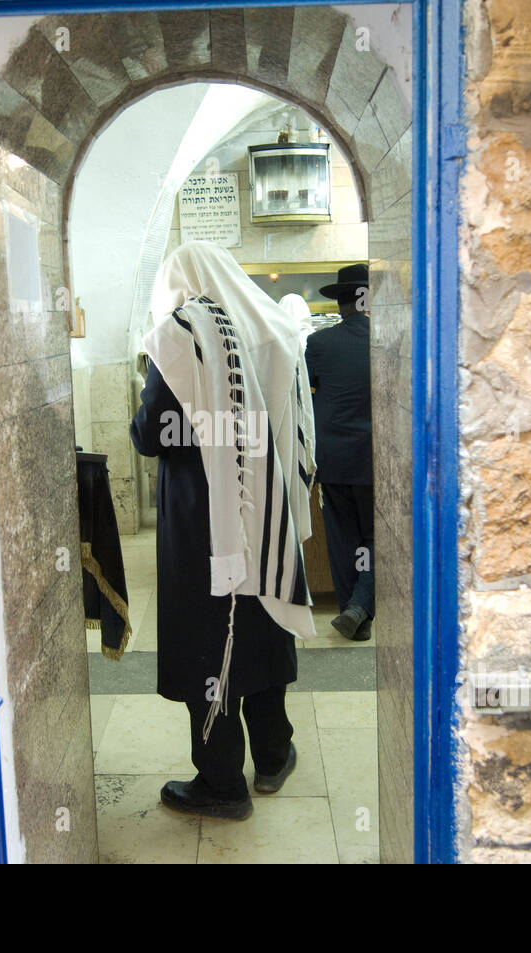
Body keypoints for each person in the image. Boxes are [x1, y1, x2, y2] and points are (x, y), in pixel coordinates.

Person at [130, 241, 316, 821]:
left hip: (204, 518)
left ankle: (221, 783)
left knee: (210, 631)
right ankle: (273, 752)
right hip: (268, 506)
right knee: (260, 618)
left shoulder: (183, 336)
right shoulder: (272, 327)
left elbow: (153, 434)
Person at [305, 263, 375, 641]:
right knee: (376, 539)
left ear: (342, 304)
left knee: (343, 539)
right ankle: (359, 608)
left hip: (332, 459)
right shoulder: (389, 342)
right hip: (376, 461)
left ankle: (356, 613)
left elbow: (304, 391)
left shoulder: (319, 344)